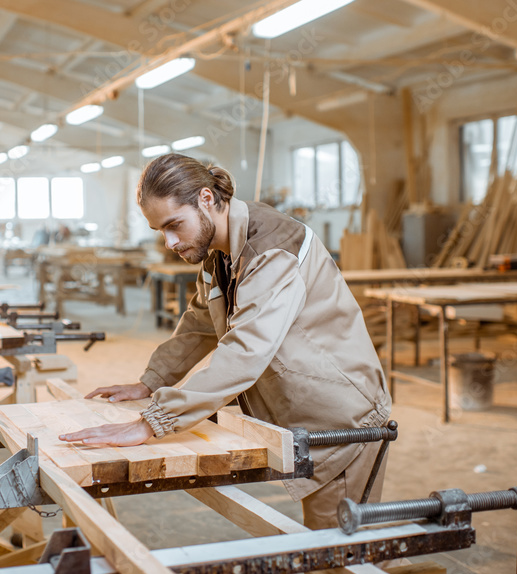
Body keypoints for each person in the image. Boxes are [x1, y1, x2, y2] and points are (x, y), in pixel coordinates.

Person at [60, 154, 391, 529]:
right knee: (334, 547)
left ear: (205, 199)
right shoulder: (219, 250)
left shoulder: (272, 250)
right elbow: (200, 321)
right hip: (302, 406)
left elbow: (245, 353)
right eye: (159, 231)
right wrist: (150, 381)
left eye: (173, 225)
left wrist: (154, 420)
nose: (169, 242)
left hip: (342, 415)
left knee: (339, 555)